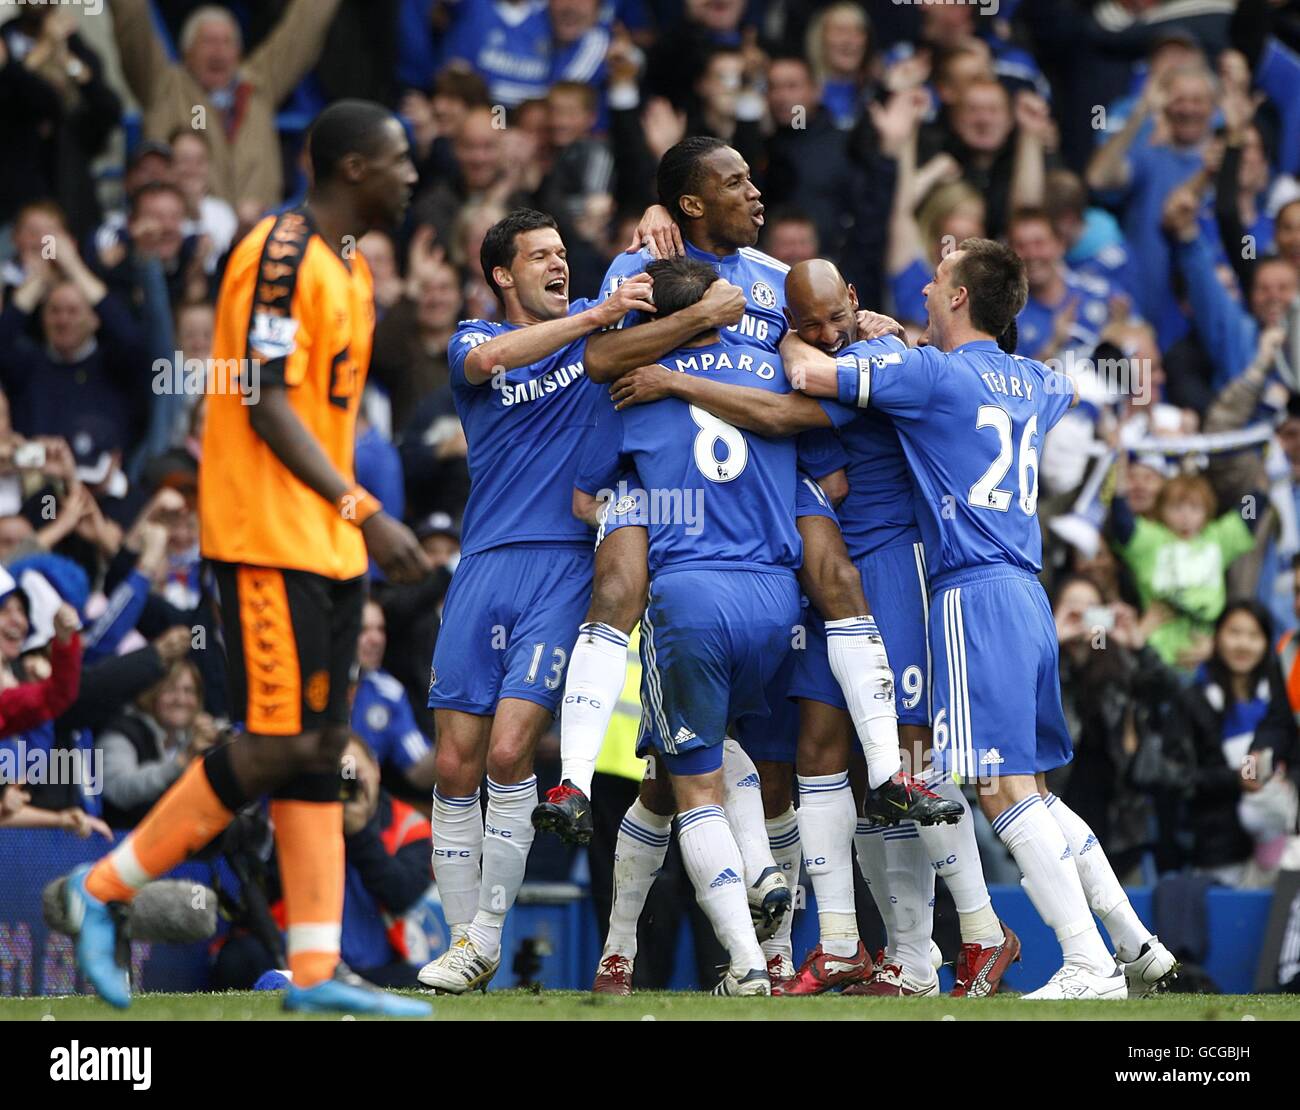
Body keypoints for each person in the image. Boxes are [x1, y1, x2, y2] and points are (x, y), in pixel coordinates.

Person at [61, 99, 431, 1017]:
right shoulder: (277, 252)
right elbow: (263, 401)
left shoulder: (348, 272)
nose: (413, 176)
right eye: (399, 160)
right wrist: (363, 505)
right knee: (271, 742)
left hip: (330, 550)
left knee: (315, 748)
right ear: (352, 167)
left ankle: (311, 976)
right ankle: (101, 889)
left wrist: (352, 524)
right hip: (265, 540)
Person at [782, 236, 1178, 999]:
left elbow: (807, 374)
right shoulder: (1035, 378)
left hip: (970, 592)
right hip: (1030, 590)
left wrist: (811, 330)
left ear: (960, 298)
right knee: (1031, 788)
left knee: (994, 787)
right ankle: (1136, 944)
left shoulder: (930, 372)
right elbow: (1031, 374)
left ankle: (1087, 964)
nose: (926, 289)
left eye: (938, 281)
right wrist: (938, 316)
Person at [610, 258, 1012, 997]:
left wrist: (684, 380)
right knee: (818, 757)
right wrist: (787, 351)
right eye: (807, 323)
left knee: (915, 764)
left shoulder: (883, 355)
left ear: (855, 299)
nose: (824, 331)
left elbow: (789, 416)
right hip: (809, 580)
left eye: (834, 316)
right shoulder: (792, 354)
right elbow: (791, 392)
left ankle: (985, 931)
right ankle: (843, 945)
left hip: (892, 567)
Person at [415, 208, 656, 995]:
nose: (559, 266)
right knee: (452, 763)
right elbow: (488, 361)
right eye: (540, 257)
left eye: (563, 254)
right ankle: (466, 949)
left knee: (511, 753)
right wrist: (594, 313)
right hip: (483, 565)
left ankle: (486, 933)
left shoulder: (596, 343)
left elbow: (653, 265)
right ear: (501, 274)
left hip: (560, 568)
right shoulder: (472, 340)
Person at [1165, 601, 1298, 887]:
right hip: (1217, 851)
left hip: (1283, 847)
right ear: (1217, 637)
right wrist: (1234, 779)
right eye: (1234, 632)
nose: (1243, 644)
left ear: (1267, 642)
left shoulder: (1281, 697)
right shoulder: (1192, 700)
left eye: (1254, 635)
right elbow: (1175, 776)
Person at [98, 660, 220, 829]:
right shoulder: (123, 732)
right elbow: (117, 790)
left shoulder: (193, 739)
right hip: (121, 839)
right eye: (170, 690)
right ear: (152, 694)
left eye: (189, 691)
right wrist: (182, 761)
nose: (181, 699)